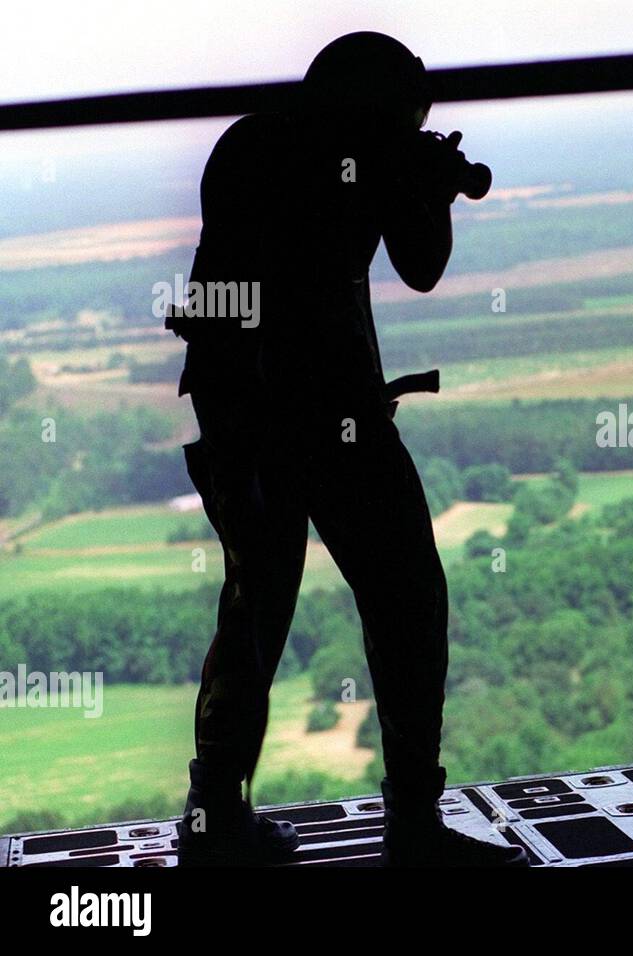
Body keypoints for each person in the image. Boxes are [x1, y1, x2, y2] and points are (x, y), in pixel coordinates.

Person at [169, 32, 527, 867]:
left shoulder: (254, 143)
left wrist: (408, 177)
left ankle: (215, 819)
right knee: (401, 602)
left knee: (258, 615)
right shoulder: (334, 159)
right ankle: (408, 825)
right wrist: (424, 186)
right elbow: (423, 266)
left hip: (256, 414)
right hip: (322, 417)